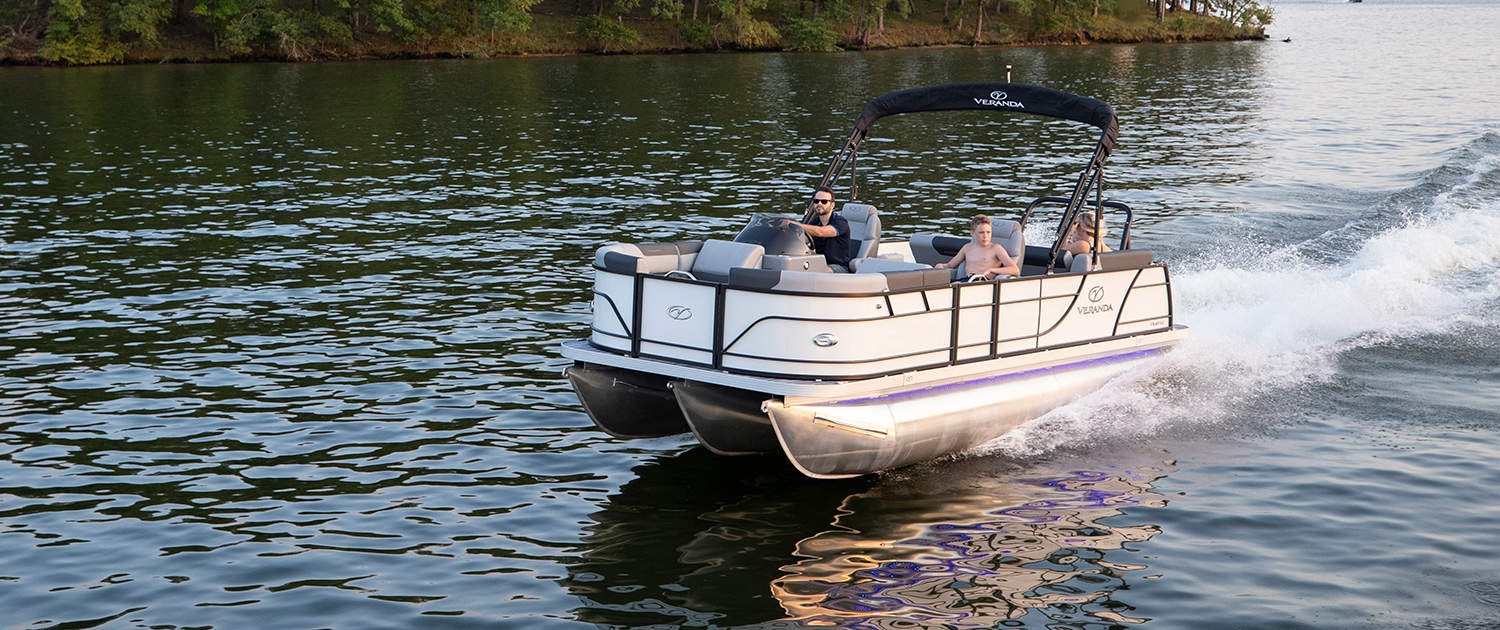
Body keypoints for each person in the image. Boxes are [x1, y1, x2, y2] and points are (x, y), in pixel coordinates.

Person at [783, 186, 853, 272]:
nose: (819, 204)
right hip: (820, 263)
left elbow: (821, 232)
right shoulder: (815, 222)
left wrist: (795, 224)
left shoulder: (840, 222)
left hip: (840, 267)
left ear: (832, 205)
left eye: (824, 201)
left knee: (819, 270)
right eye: (816, 201)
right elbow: (802, 240)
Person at [935, 214, 1020, 280]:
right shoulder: (967, 248)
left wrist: (992, 270)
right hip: (966, 280)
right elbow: (950, 265)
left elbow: (1015, 270)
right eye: (981, 232)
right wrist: (941, 266)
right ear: (972, 233)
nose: (985, 236)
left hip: (982, 282)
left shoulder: (996, 248)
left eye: (988, 232)